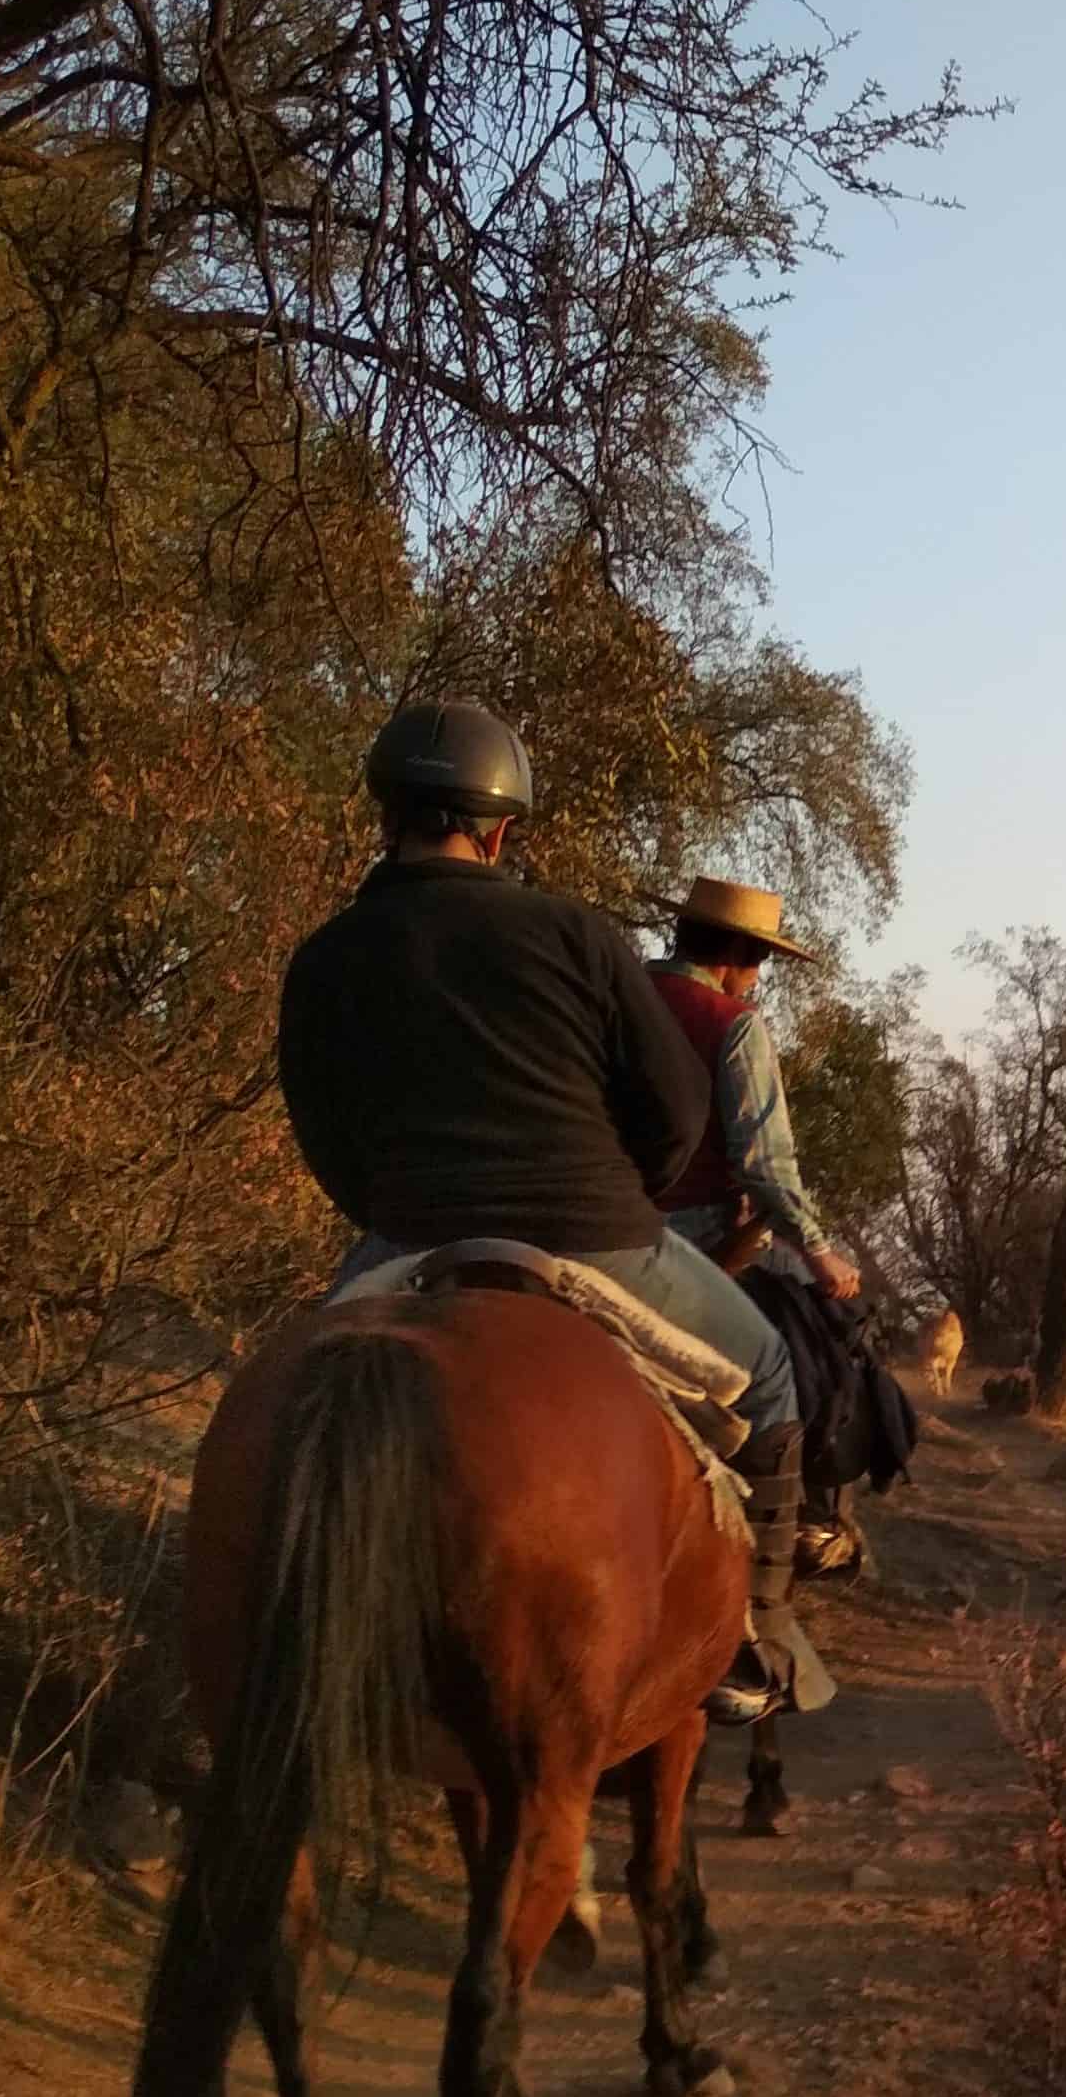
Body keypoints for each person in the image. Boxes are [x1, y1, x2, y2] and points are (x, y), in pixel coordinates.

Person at [273, 700, 808, 1727]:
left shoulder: (326, 957)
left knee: (296, 1410)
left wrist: (394, 1211)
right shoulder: (575, 933)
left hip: (407, 1237)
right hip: (594, 1235)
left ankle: (286, 1620)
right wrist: (622, 1195)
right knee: (773, 1376)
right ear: (502, 829)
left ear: (385, 815)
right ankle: (758, 1641)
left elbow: (324, 1133)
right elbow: (675, 1109)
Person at [645, 875, 874, 1573]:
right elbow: (763, 1164)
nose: (757, 978)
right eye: (760, 961)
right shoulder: (733, 1023)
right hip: (698, 1236)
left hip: (594, 1219)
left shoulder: (620, 998)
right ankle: (805, 1535)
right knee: (825, 1339)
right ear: (737, 956)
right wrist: (819, 1250)